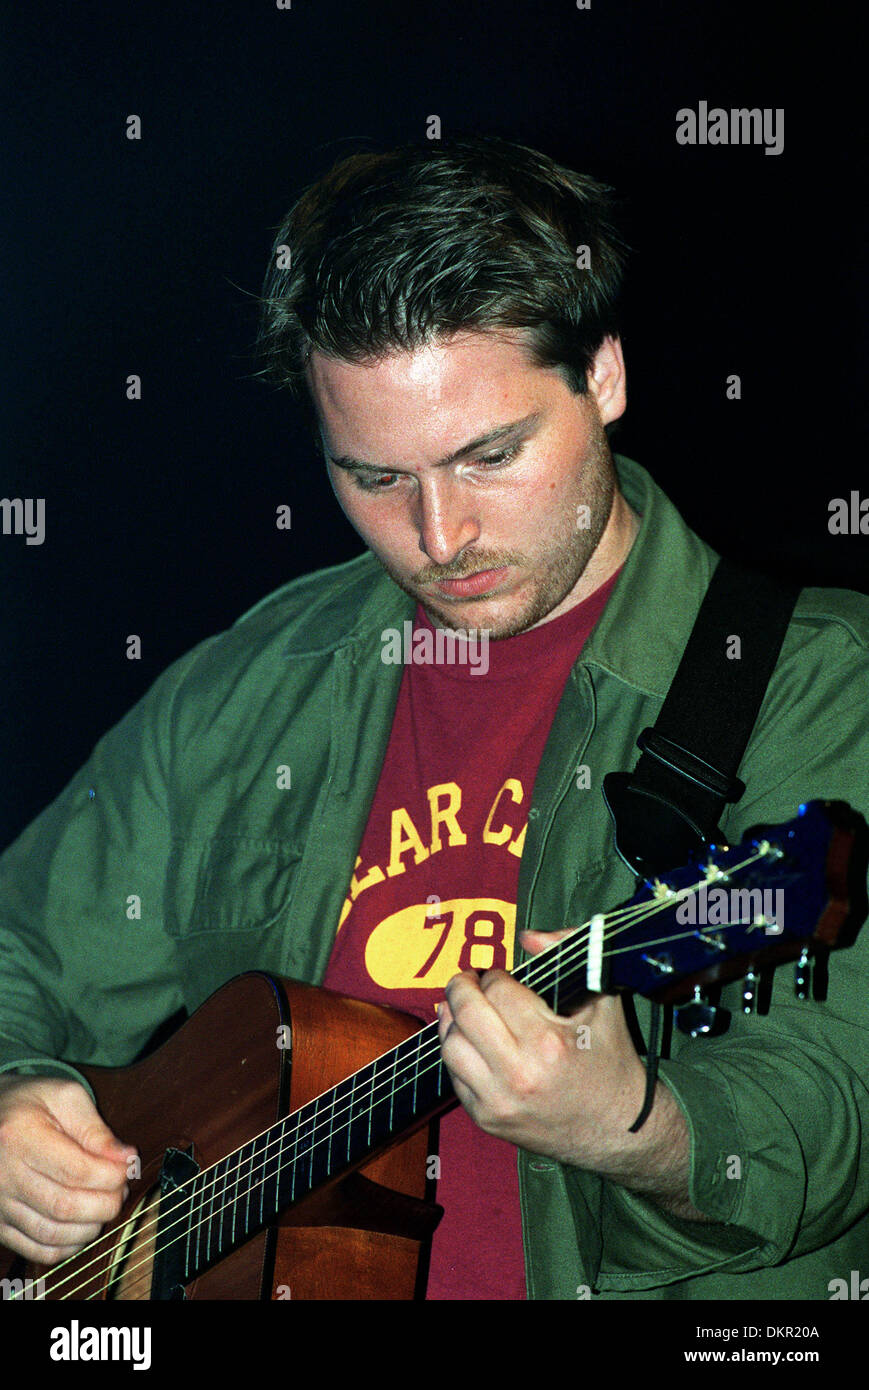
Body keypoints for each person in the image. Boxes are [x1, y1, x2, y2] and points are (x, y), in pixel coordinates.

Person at [1, 137, 868, 1301]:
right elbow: (26, 947)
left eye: (490, 455)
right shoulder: (262, 677)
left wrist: (638, 1124)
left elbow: (837, 1106)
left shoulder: (815, 679)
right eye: (373, 478)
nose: (440, 534)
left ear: (601, 376)